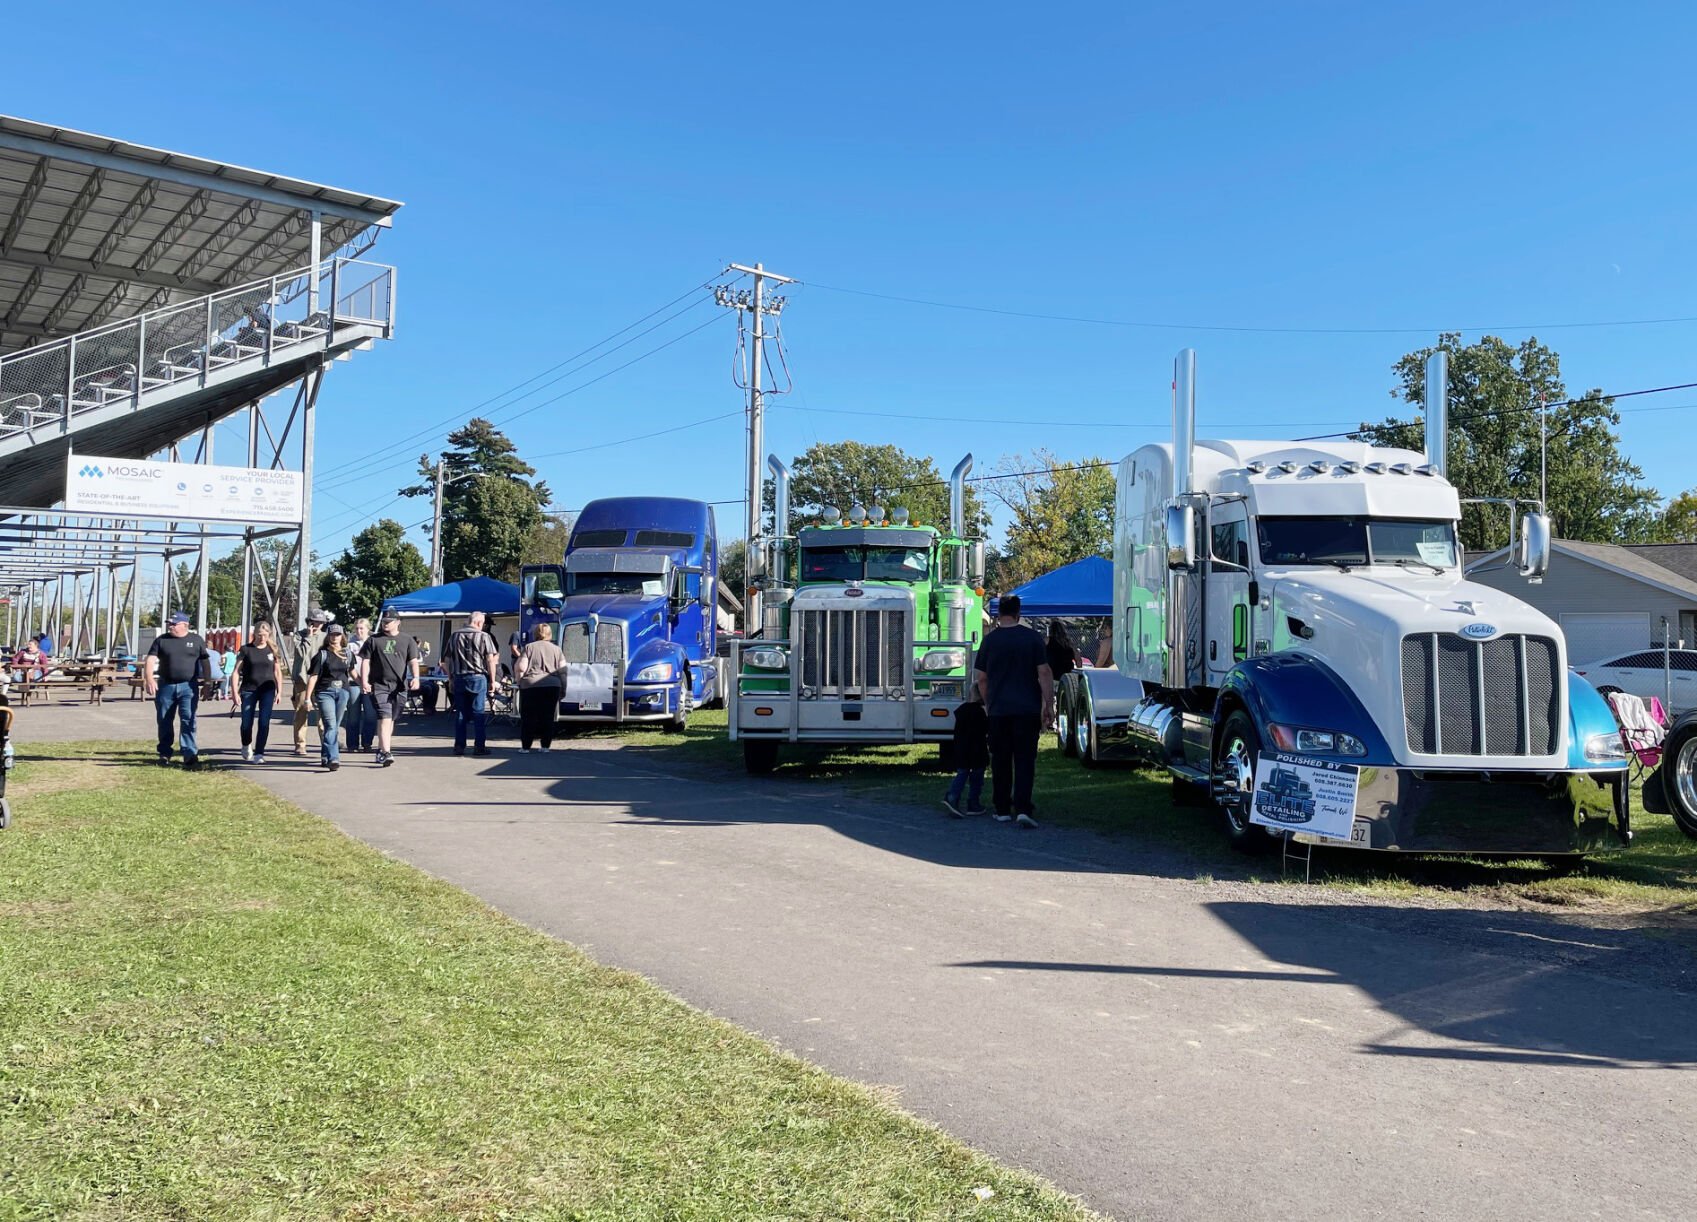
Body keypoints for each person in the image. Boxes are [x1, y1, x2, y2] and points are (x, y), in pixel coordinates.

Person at [972, 594, 1053, 828]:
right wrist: (1049, 703)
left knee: (1001, 759)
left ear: (998, 613)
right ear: (1019, 613)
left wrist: (989, 704)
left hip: (999, 710)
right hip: (1027, 709)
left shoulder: (989, 641)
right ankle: (1023, 807)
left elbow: (982, 678)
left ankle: (1002, 808)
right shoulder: (1032, 638)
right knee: (1025, 760)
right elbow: (1044, 672)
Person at [144, 612, 212, 769]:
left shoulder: (196, 640)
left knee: (188, 718)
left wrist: (207, 683)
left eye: (174, 624)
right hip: (166, 686)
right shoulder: (162, 640)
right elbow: (150, 660)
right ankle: (164, 753)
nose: (170, 626)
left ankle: (189, 753)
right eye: (169, 624)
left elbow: (205, 662)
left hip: (188, 687)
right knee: (164, 719)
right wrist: (149, 678)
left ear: (185, 625)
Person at [361, 612, 421, 767]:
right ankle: (386, 752)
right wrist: (364, 681)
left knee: (391, 719)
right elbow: (365, 661)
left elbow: (413, 661)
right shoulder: (373, 640)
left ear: (398, 622)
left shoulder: (407, 640)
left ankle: (381, 749)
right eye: (384, 621)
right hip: (379, 685)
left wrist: (416, 677)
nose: (385, 623)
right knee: (384, 717)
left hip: (399, 687)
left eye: (389, 621)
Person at [446, 611, 500, 757]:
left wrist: (450, 678)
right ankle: (479, 746)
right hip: (477, 677)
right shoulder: (484, 636)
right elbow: (490, 659)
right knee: (478, 712)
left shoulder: (454, 635)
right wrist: (492, 680)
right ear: (478, 622)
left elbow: (447, 659)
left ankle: (459, 746)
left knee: (461, 713)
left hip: (459, 677)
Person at [303, 624, 355, 771]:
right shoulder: (322, 655)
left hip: (343, 692)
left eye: (338, 635)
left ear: (342, 636)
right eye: (332, 634)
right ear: (328, 636)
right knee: (331, 725)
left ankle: (325, 755)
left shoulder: (348, 654)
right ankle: (333, 758)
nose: (335, 637)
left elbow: (352, 672)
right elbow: (313, 677)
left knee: (334, 726)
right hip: (325, 692)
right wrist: (307, 698)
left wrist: (365, 684)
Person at [514, 622, 567, 752]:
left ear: (535, 633)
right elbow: (563, 671)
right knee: (548, 716)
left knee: (528, 717)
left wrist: (520, 682)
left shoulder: (529, 647)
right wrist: (563, 688)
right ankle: (545, 746)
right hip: (552, 685)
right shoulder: (557, 649)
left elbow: (521, 668)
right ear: (550, 634)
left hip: (530, 685)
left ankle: (526, 747)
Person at [235, 622, 280, 763]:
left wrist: (279, 691)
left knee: (264, 722)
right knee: (246, 722)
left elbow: (277, 672)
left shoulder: (272, 650)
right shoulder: (246, 649)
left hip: (268, 690)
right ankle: (246, 744)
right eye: (259, 635)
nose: (262, 638)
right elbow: (236, 672)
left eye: (265, 635)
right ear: (254, 634)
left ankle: (259, 753)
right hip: (249, 690)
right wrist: (235, 693)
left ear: (269, 635)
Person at [941, 692, 989, 817]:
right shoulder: (980, 712)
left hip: (962, 749)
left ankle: (953, 796)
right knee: (977, 776)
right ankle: (973, 803)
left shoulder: (961, 711)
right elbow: (986, 729)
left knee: (962, 773)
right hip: (977, 750)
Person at [290, 610, 331, 756]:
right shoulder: (299, 635)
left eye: (321, 622)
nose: (318, 625)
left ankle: (327, 743)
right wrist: (308, 636)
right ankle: (300, 744)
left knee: (323, 715)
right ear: (309, 622)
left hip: (320, 681)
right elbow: (301, 653)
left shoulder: (326, 637)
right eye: (316, 621)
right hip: (302, 680)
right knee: (301, 713)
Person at [343, 617, 377, 755]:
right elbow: (348, 667)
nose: (359, 631)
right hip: (354, 683)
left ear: (368, 629)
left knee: (371, 715)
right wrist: (359, 681)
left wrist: (367, 682)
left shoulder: (374, 642)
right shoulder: (349, 645)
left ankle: (367, 743)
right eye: (357, 628)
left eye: (362, 628)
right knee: (353, 716)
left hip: (370, 684)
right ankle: (352, 744)